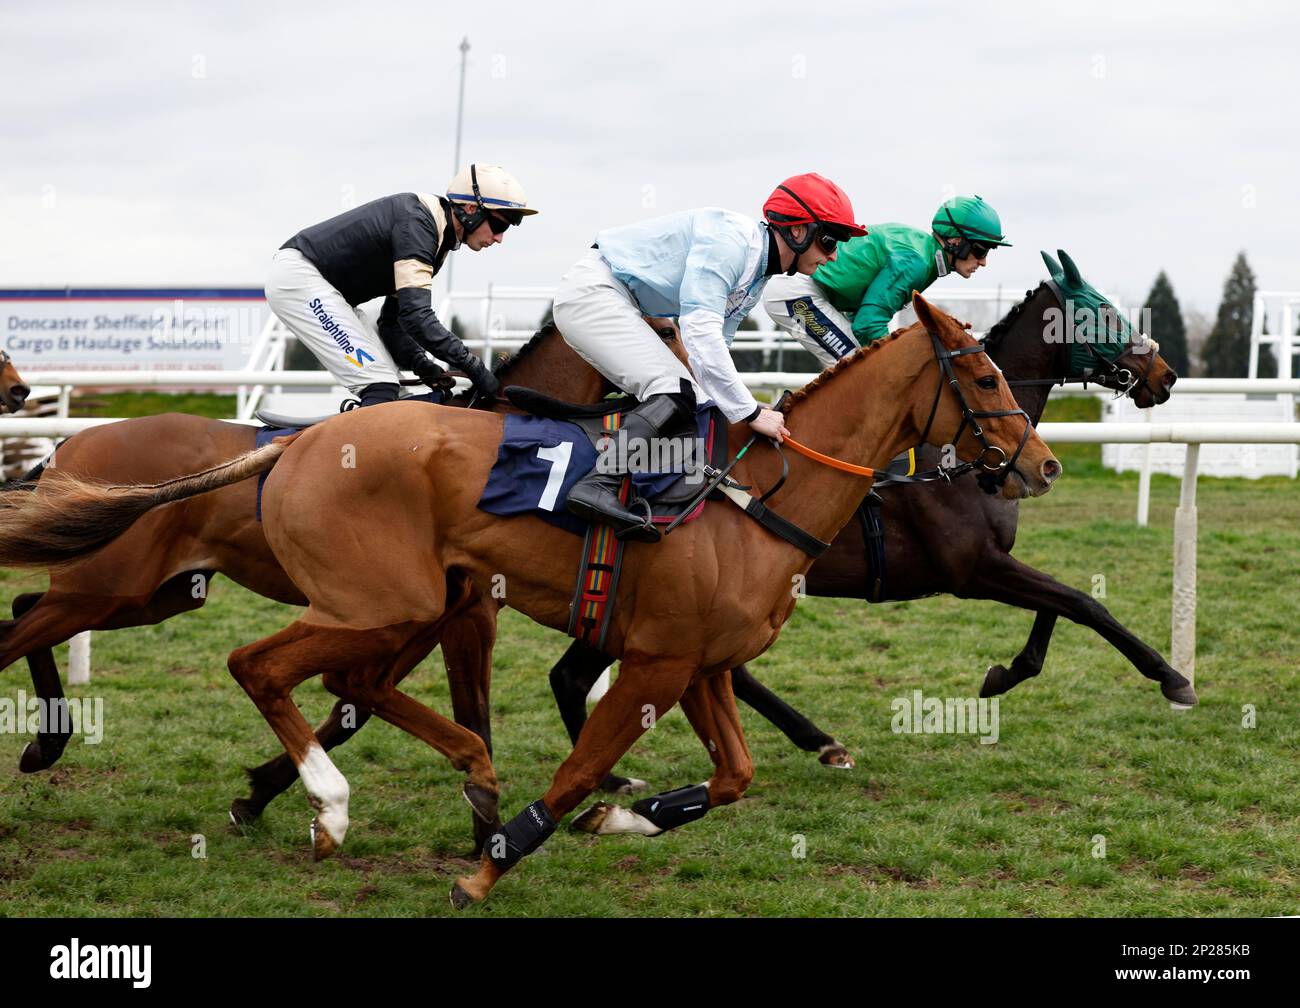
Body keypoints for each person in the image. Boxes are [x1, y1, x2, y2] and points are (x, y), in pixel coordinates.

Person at [553, 173, 866, 541]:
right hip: (595, 293)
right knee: (674, 388)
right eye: (829, 240)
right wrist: (750, 412)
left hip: (621, 300)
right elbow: (700, 333)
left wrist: (738, 408)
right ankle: (597, 484)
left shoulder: (758, 273)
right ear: (798, 231)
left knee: (697, 397)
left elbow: (715, 352)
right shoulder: (731, 243)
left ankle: (644, 492)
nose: (833, 256)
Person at [265, 164, 536, 407]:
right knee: (380, 385)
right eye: (500, 224)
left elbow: (393, 324)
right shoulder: (418, 226)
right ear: (470, 209)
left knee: (397, 396)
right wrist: (473, 367)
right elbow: (418, 317)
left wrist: (422, 365)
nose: (499, 238)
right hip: (299, 280)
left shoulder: (436, 238)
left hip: (323, 288)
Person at [764, 195, 1011, 366]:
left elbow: (864, 319)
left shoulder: (924, 254)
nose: (984, 262)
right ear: (956, 241)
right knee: (858, 371)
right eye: (981, 251)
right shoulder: (917, 261)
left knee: (858, 369)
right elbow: (868, 325)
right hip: (797, 293)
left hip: (807, 292)